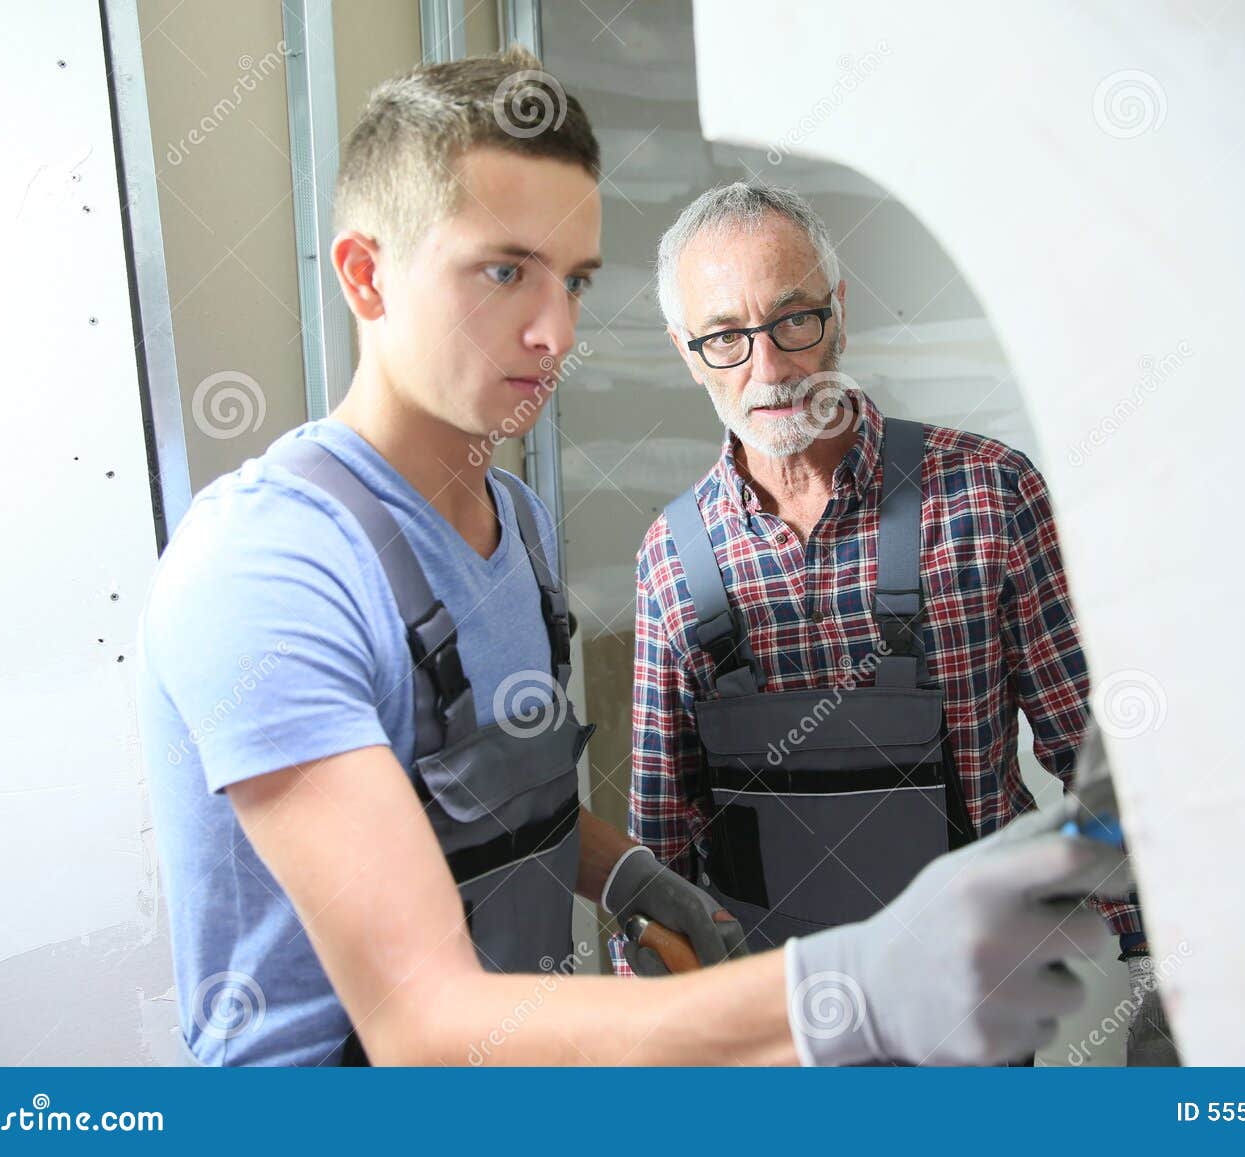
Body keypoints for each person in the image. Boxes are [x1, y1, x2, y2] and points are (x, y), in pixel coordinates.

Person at [137, 48, 1129, 1068]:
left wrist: (620, 872)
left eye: (573, 280)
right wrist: (845, 993)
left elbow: (491, 813)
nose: (556, 329)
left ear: (836, 307)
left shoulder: (516, 526)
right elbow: (419, 1024)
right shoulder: (266, 567)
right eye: (505, 270)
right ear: (364, 274)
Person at [623, 182, 1175, 1064]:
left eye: (793, 320)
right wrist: (652, 1036)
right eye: (725, 336)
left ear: (838, 312)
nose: (769, 369)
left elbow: (1092, 756)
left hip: (971, 1029)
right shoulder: (670, 561)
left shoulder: (989, 496)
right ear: (687, 353)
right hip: (773, 1037)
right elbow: (661, 838)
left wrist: (1161, 976)